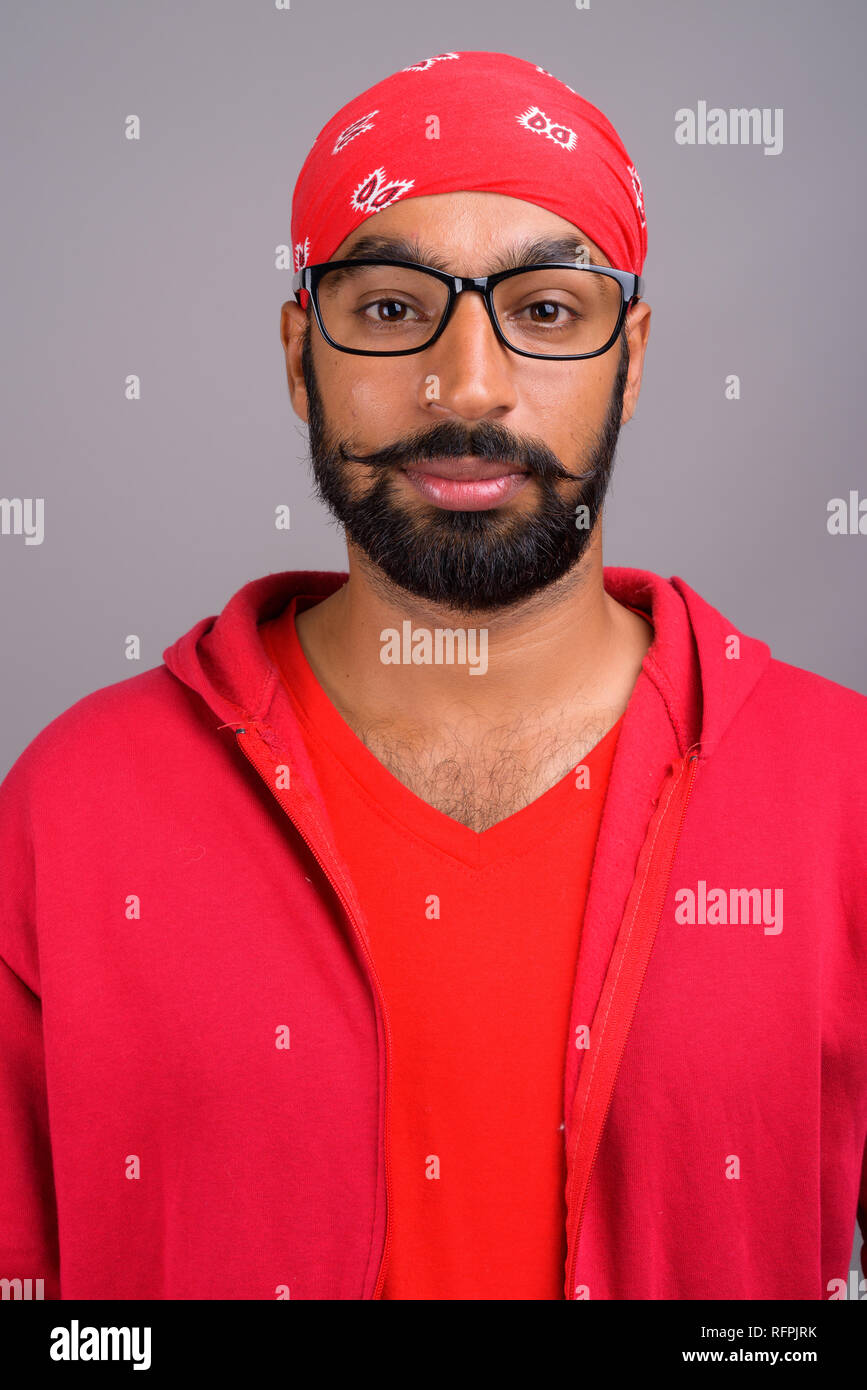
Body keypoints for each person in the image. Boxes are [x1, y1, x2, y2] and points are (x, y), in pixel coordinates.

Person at [0, 50, 864, 1303]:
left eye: (549, 310)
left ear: (635, 355)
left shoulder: (839, 795)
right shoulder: (69, 808)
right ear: (302, 354)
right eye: (395, 309)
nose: (467, 386)